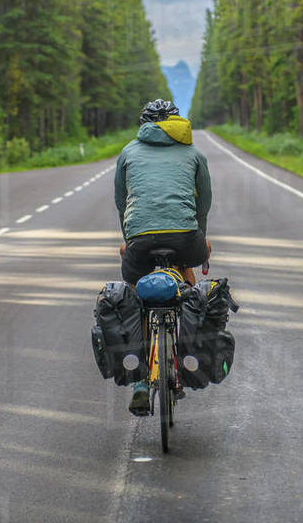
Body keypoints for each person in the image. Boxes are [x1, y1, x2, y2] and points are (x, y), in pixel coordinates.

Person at [113, 99, 211, 415]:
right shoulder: (194, 153)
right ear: (176, 124)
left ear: (144, 125)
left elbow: (121, 202)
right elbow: (203, 205)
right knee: (186, 277)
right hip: (185, 237)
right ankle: (184, 356)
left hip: (140, 239)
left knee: (134, 288)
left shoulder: (128, 152)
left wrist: (130, 240)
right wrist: (201, 242)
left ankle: (141, 382)